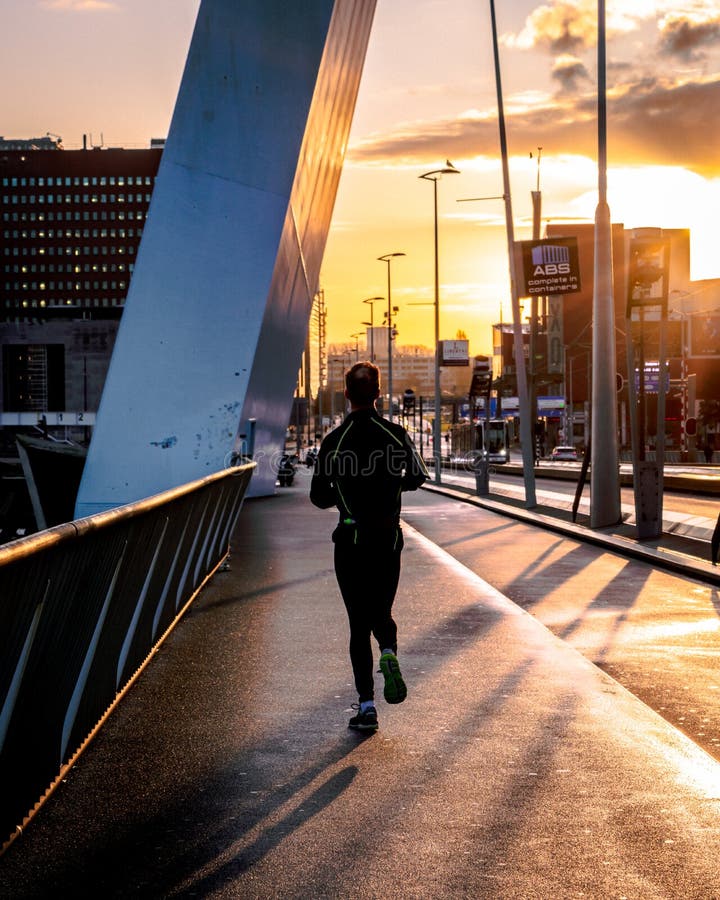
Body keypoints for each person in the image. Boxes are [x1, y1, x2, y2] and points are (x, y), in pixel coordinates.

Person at [310, 362, 428, 732]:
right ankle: (389, 653)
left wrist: (343, 495)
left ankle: (366, 706)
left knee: (357, 625)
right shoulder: (395, 435)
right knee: (382, 608)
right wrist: (390, 485)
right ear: (377, 394)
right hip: (387, 538)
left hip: (350, 539)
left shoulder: (334, 441)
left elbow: (318, 496)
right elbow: (417, 476)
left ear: (346, 395)